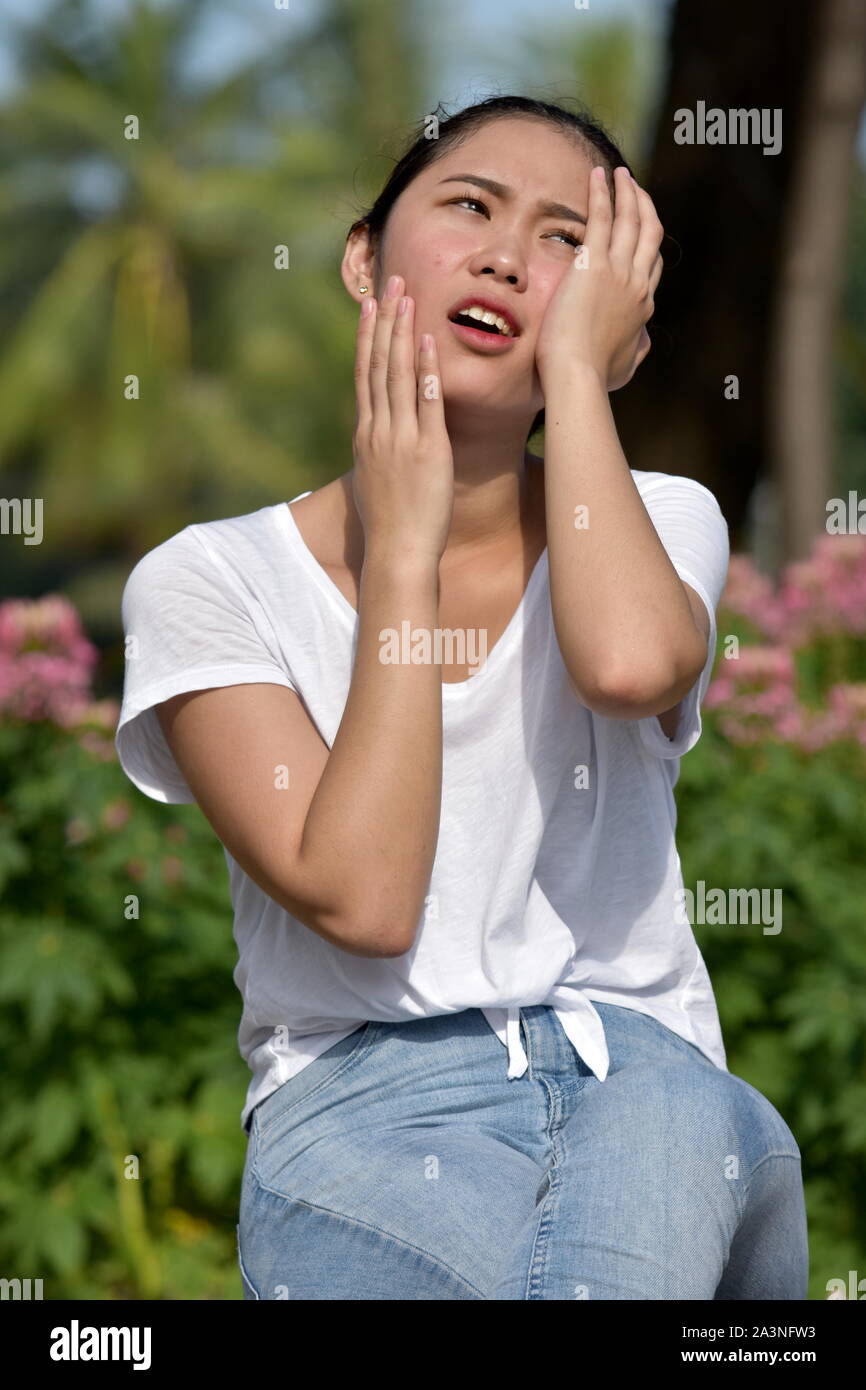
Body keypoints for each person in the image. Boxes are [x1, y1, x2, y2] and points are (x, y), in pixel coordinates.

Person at [115, 95, 809, 1300]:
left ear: (615, 315)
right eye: (469, 206)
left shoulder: (665, 517)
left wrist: (579, 388)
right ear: (360, 257)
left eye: (564, 242)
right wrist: (402, 555)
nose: (504, 255)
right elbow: (365, 895)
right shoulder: (207, 579)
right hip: (360, 1103)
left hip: (640, 1076)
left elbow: (627, 666)